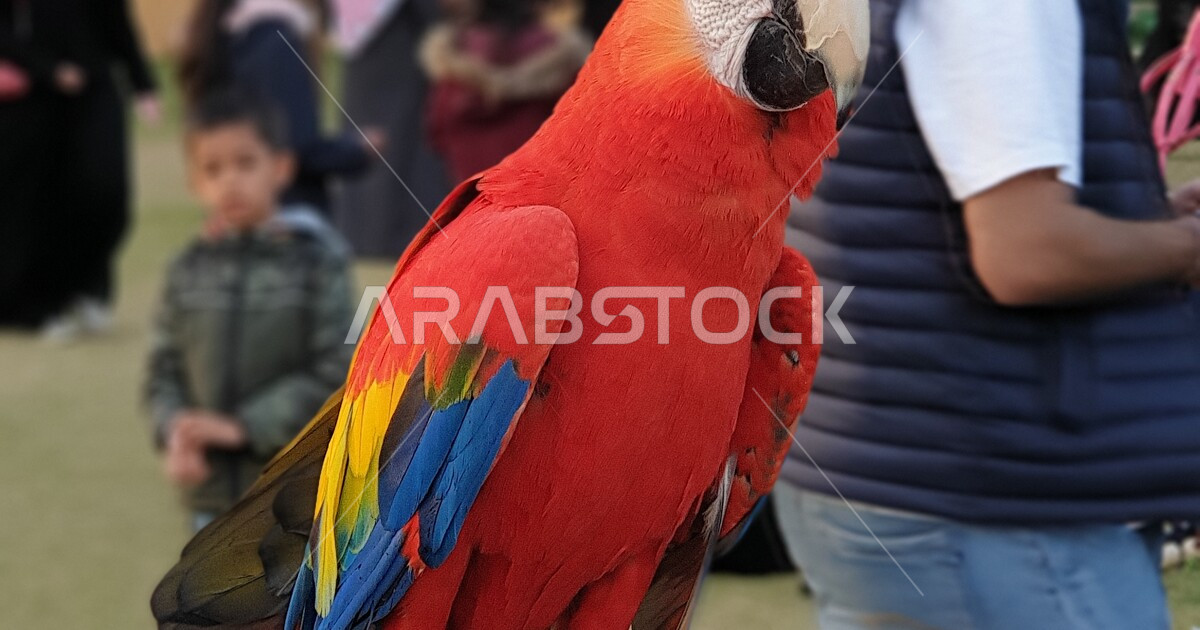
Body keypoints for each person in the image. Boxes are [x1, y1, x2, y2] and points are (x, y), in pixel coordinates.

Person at [779, 1, 1200, 629]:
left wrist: (1145, 219)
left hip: (872, 468)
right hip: (995, 503)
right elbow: (1028, 254)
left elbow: (918, 204)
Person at [145, 90, 355, 530]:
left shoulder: (317, 262)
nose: (229, 181)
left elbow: (339, 368)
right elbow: (163, 371)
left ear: (280, 167)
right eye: (212, 169)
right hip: (209, 502)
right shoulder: (187, 269)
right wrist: (174, 430)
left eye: (245, 163)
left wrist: (242, 427)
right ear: (195, 183)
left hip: (293, 501)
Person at [0, 0, 159, 338]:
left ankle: (86, 288)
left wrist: (142, 83)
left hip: (95, 87)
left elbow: (117, 22)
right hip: (34, 95)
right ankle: (43, 305)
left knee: (104, 191)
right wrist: (47, 69)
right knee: (43, 205)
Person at [179, 0, 383, 215]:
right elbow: (296, 147)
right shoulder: (274, 37)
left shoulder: (221, 32)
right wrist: (357, 151)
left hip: (237, 214)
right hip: (287, 211)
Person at [330, 0, 451, 259]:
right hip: (401, 53)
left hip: (375, 55)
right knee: (400, 151)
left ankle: (371, 238)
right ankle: (395, 239)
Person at [420, 0, 590, 183]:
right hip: (548, 190)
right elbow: (585, 126)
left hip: (477, 197)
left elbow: (436, 133)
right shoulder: (554, 50)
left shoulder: (456, 56)